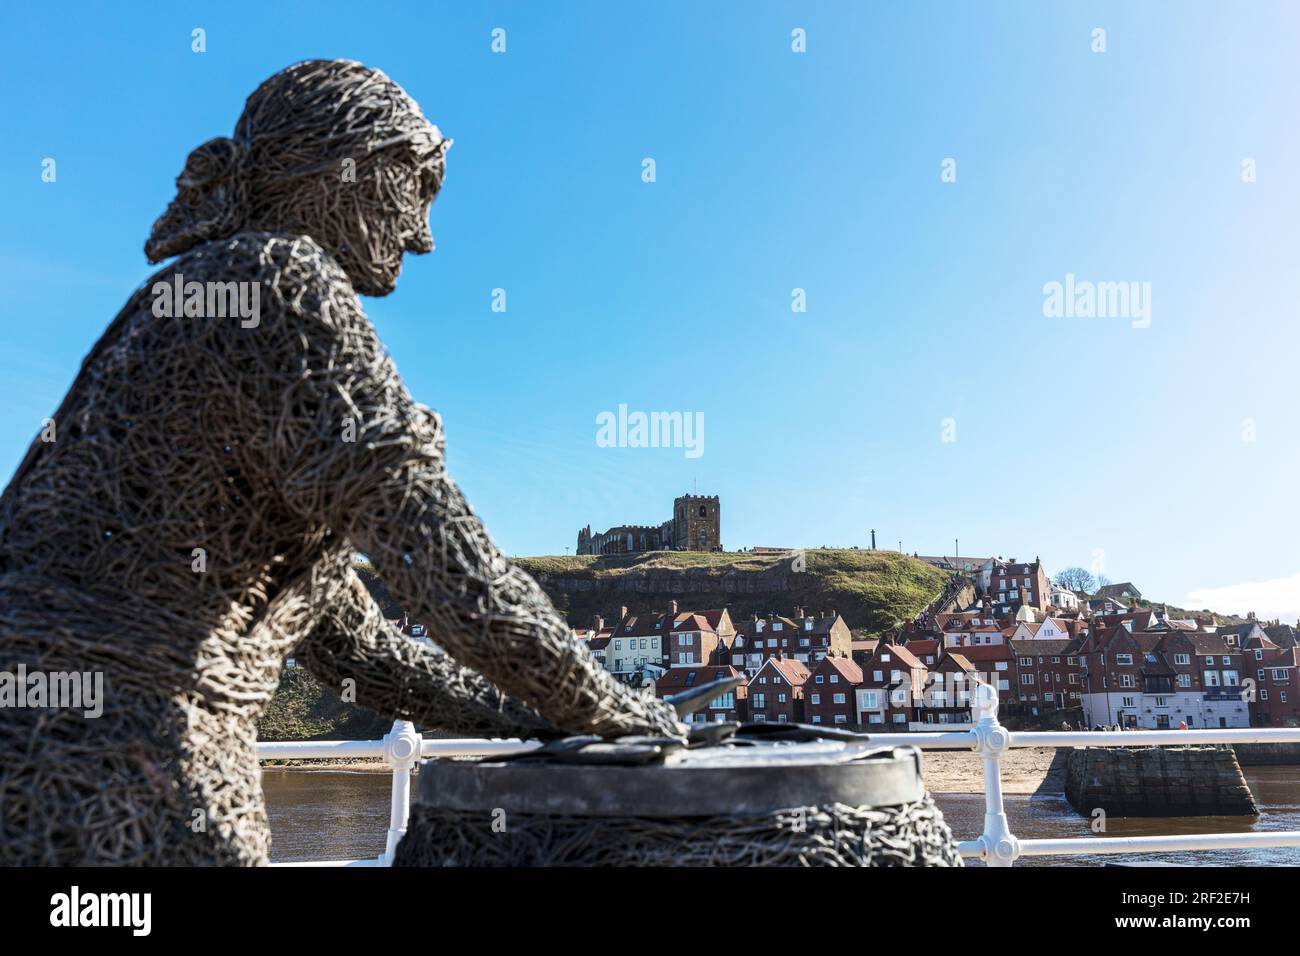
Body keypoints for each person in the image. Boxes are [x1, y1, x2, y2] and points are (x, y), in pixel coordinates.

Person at [0, 60, 685, 866]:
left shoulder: (208, 300)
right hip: (110, 754)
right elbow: (446, 562)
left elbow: (357, 651)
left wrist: (544, 713)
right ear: (346, 170)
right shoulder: (274, 282)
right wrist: (614, 707)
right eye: (419, 187)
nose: (423, 234)